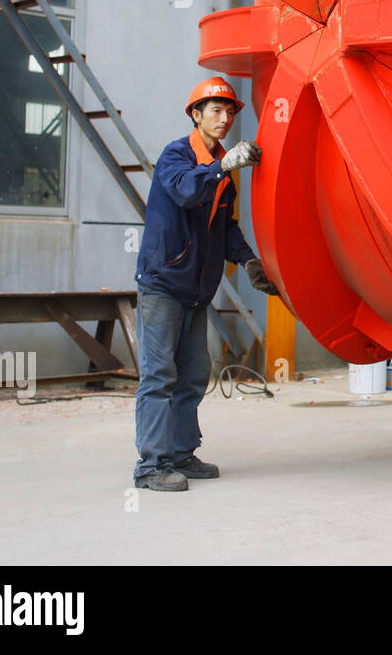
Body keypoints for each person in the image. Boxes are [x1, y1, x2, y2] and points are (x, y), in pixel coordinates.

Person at [131, 77, 280, 492]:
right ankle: (151, 466)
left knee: (194, 373)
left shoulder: (221, 173)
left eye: (230, 111)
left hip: (196, 290)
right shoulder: (176, 156)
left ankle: (180, 454)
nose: (225, 117)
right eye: (215, 110)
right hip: (162, 284)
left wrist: (249, 261)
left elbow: (225, 229)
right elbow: (184, 191)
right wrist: (223, 166)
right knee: (160, 376)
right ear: (195, 116)